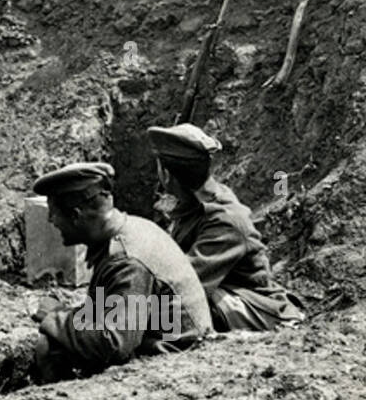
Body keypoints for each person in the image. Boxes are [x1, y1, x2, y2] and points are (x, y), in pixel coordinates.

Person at [29, 162, 212, 382]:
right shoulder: (129, 231)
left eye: (54, 213)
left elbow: (114, 342)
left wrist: (56, 318)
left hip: (176, 363)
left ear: (76, 215)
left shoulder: (127, 261)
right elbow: (114, 314)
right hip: (162, 341)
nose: (50, 220)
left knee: (51, 348)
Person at [147, 123, 305, 332]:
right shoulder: (195, 203)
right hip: (223, 293)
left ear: (166, 175)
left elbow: (184, 284)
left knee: (168, 314)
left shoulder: (225, 220)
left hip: (260, 313)